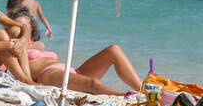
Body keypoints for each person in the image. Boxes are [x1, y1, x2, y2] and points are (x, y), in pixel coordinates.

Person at [9, 8, 142, 94]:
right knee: (93, 83)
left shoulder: (38, 44)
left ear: (31, 27)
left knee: (114, 50)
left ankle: (143, 90)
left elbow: (39, 45)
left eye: (24, 25)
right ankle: (124, 97)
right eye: (17, 25)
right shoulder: (13, 45)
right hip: (48, 74)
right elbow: (4, 64)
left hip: (72, 71)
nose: (21, 29)